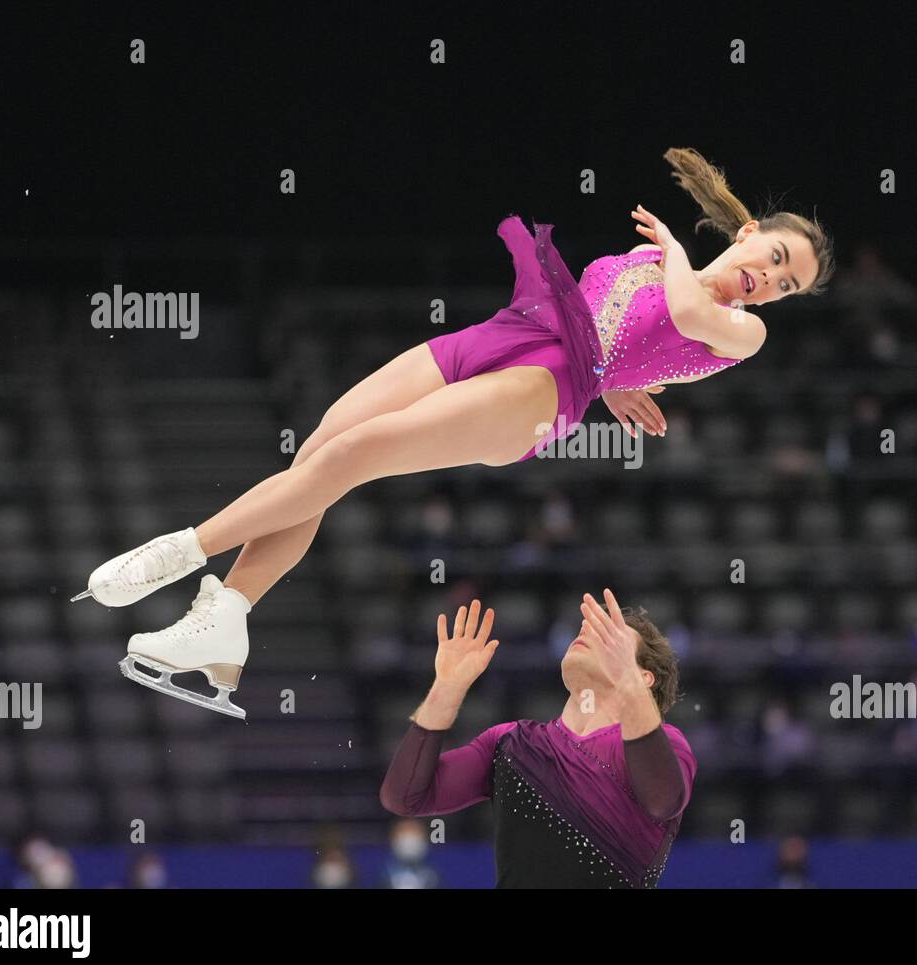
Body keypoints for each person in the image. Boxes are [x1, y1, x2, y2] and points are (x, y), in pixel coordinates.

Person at [68, 147, 834, 717]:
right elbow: (620, 326)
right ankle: (225, 624)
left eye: (786, 283)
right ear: (753, 231)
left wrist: (666, 268)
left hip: (543, 391)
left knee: (355, 457)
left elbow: (687, 316)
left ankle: (181, 551)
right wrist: (625, 376)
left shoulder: (740, 331)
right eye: (774, 256)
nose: (768, 279)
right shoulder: (648, 258)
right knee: (319, 452)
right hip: (502, 335)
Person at [380, 591, 695, 889]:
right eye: (585, 628)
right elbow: (404, 797)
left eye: (608, 635)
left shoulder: (666, 744)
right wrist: (446, 689)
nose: (586, 630)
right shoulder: (511, 743)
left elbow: (662, 800)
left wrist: (629, 687)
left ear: (645, 676)